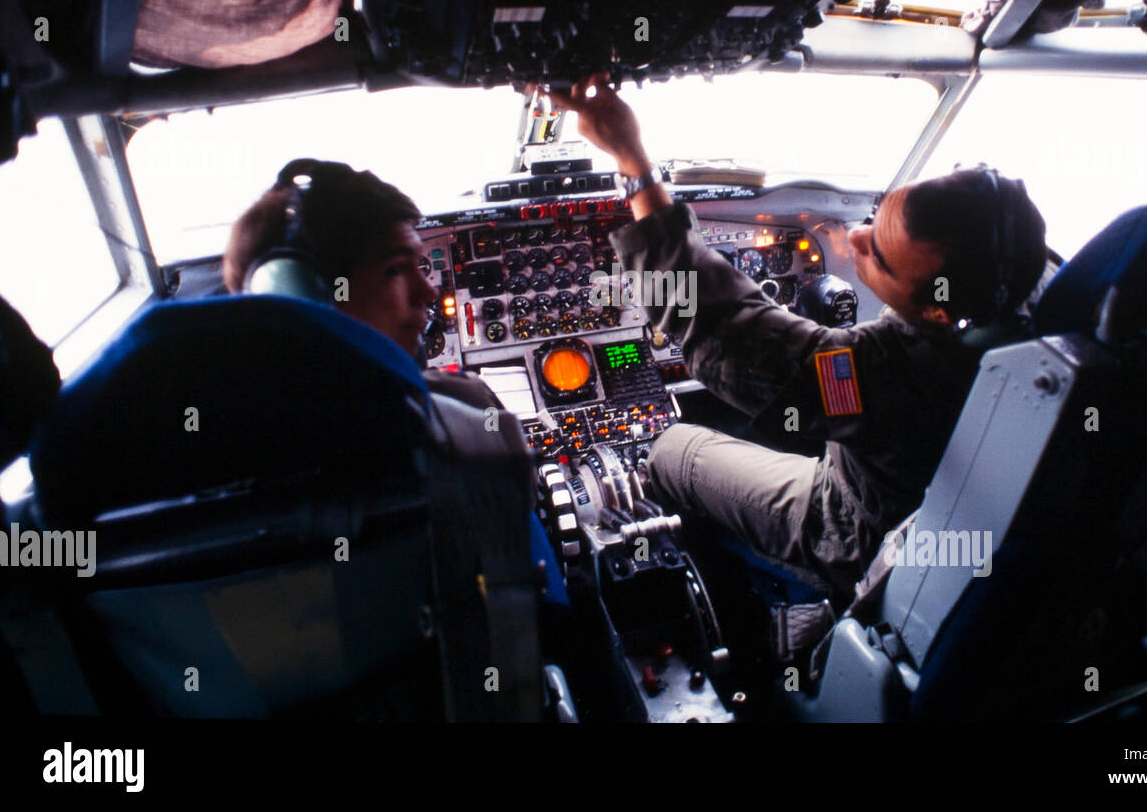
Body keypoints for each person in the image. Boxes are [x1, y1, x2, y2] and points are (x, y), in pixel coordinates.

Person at [549, 73, 1048, 599]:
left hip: (861, 535)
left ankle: (724, 601)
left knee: (670, 446)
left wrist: (631, 160)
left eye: (876, 254)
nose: (851, 236)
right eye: (874, 219)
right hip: (942, 511)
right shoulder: (1027, 300)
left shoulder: (883, 374)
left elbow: (718, 330)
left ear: (937, 313)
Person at [223, 158, 499, 410]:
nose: (427, 293)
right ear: (300, 294)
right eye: (394, 270)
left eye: (417, 265)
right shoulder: (464, 420)